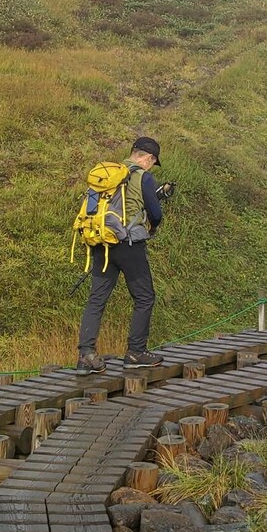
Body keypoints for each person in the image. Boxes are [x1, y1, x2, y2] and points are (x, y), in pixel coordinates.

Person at [77, 136, 169, 371]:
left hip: (102, 242)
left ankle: (86, 356)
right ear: (149, 158)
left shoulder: (108, 174)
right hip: (129, 245)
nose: (151, 166)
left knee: (97, 299)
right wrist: (153, 218)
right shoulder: (143, 176)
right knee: (144, 297)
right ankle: (136, 352)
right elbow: (155, 214)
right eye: (153, 162)